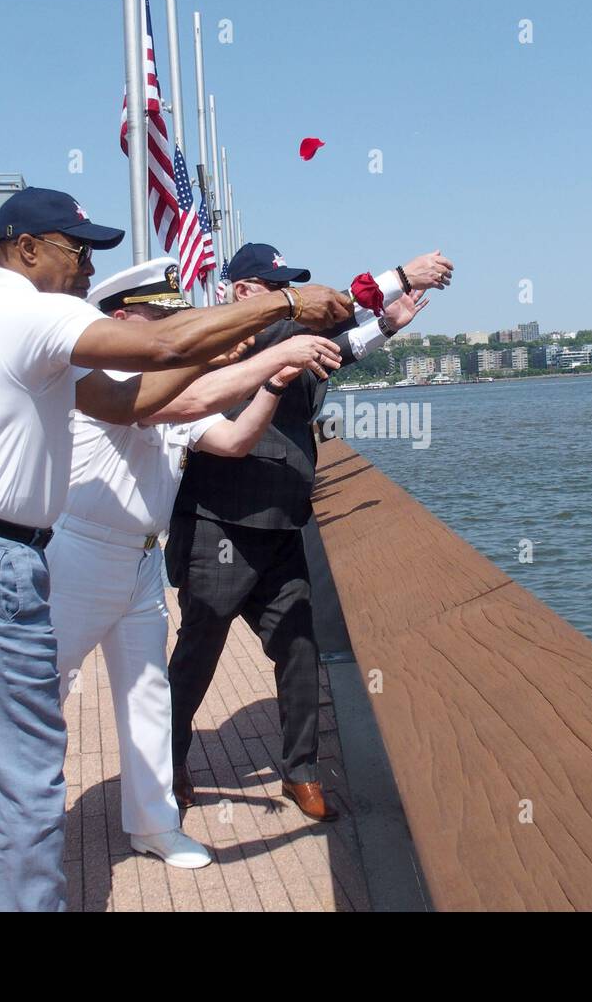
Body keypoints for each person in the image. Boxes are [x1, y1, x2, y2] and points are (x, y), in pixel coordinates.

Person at [0, 187, 353, 913]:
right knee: (29, 762)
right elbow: (164, 346)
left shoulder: (13, 316)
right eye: (78, 248)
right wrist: (284, 308)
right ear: (25, 249)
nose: (87, 265)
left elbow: (128, 401)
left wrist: (231, 345)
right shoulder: (34, 311)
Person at [0, 257, 344, 872]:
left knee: (147, 695)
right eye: (158, 314)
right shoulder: (105, 367)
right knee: (39, 692)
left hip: (139, 559)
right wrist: (270, 355)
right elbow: (165, 405)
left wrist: (272, 382)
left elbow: (233, 440)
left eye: (173, 312)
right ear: (121, 318)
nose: (171, 322)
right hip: (81, 550)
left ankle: (155, 823)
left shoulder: (174, 377)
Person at [167, 242, 452, 821]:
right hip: (221, 527)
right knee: (199, 653)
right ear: (245, 294)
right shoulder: (235, 336)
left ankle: (301, 773)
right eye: (278, 289)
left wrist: (387, 327)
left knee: (300, 649)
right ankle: (167, 765)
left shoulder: (284, 338)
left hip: (281, 525)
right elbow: (332, 312)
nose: (292, 301)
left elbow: (335, 349)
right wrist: (398, 278)